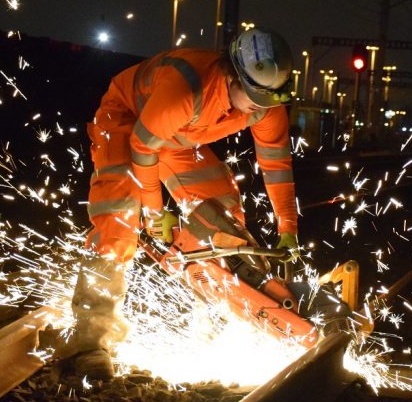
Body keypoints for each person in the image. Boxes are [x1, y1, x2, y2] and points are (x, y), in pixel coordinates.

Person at [70, 27, 300, 379]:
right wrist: (153, 212)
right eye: (255, 99)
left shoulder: (267, 103)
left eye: (270, 100)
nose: (262, 109)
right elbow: (143, 148)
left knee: (222, 222)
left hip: (175, 138)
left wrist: (288, 228)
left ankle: (221, 327)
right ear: (231, 75)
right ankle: (89, 343)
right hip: (126, 122)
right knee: (117, 224)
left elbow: (277, 166)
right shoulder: (186, 88)